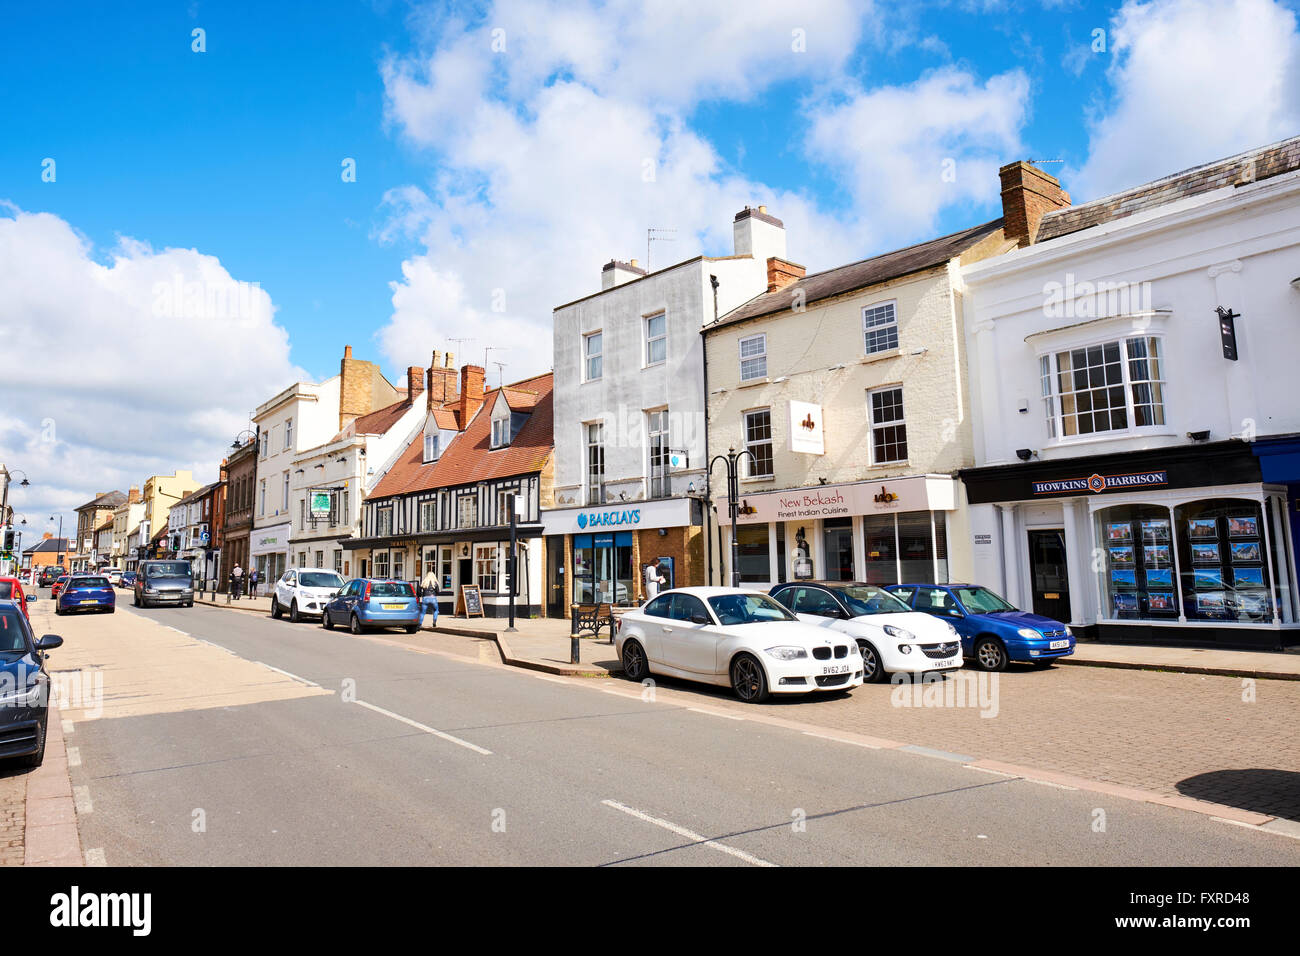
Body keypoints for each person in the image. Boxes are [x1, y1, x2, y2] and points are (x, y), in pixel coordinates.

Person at [418, 565, 439, 630]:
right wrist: (435, 594)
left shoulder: (424, 582)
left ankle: (420, 624)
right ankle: (434, 623)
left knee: (423, 612)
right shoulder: (435, 583)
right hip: (433, 598)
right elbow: (438, 591)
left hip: (425, 598)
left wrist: (422, 594)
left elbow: (419, 590)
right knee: (436, 610)